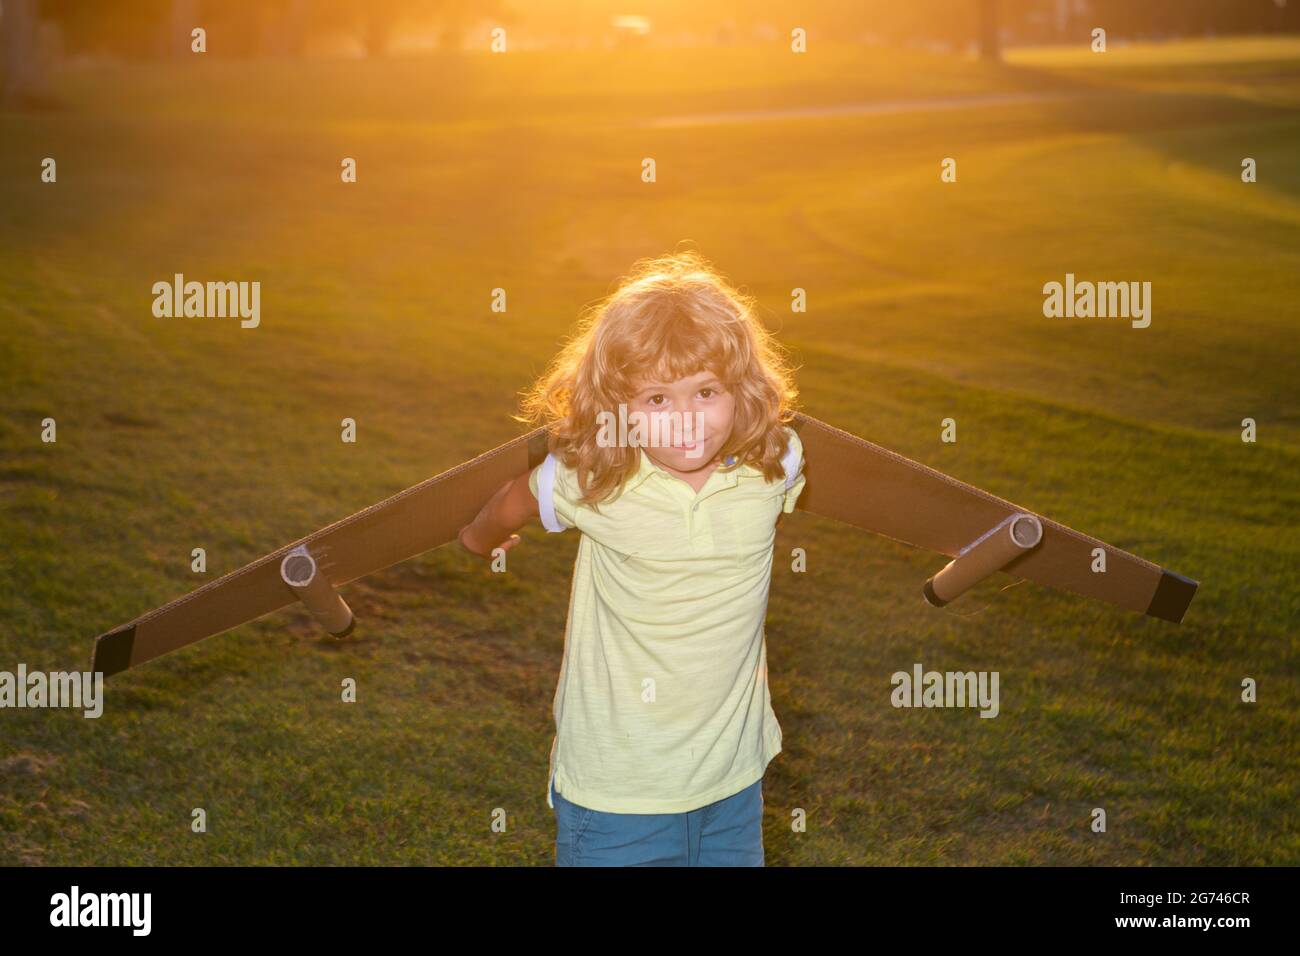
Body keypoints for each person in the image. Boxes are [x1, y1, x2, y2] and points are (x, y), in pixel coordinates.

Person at [457, 250, 806, 866]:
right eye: (657, 400)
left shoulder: (775, 465)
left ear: (741, 388)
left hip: (732, 779)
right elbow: (514, 500)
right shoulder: (593, 479)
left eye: (706, 391)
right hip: (617, 792)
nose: (687, 421)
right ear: (614, 406)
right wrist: (479, 541)